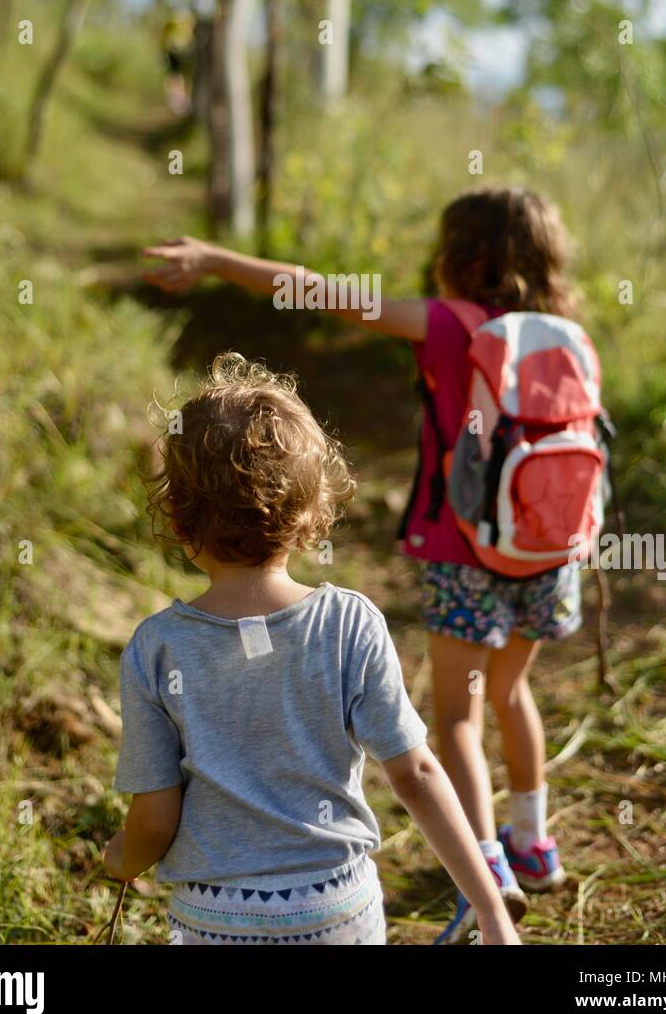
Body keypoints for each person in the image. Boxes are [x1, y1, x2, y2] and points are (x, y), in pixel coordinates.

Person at [142, 187, 584, 943]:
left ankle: (485, 873)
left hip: (463, 550)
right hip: (550, 549)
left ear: (459, 256)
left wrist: (216, 260)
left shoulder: (451, 324)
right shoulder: (562, 336)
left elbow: (317, 289)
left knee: (455, 719)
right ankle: (534, 842)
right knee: (512, 690)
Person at [104, 352, 520, 946]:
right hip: (337, 908)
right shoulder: (349, 624)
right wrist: (491, 909)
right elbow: (418, 774)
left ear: (176, 513)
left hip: (217, 919)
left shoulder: (157, 648)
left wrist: (119, 859)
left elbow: (154, 822)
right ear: (310, 513)